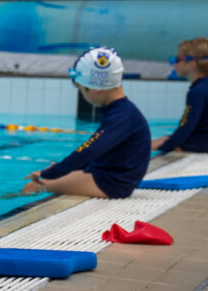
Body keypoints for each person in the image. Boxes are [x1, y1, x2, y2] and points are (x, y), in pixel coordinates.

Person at [23, 47, 151, 198]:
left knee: (32, 186)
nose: (83, 95)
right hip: (109, 177)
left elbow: (89, 150)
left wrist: (50, 173)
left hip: (112, 185)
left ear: (96, 88)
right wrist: (64, 169)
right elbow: (97, 152)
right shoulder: (122, 112)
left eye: (82, 90)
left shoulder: (121, 116)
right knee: (59, 175)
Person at [154, 37, 208, 155]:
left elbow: (186, 125)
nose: (174, 63)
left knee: (150, 146)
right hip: (206, 142)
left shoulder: (198, 91)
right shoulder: (207, 87)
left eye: (178, 59)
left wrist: (165, 147)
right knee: (155, 142)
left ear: (192, 64)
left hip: (201, 144)